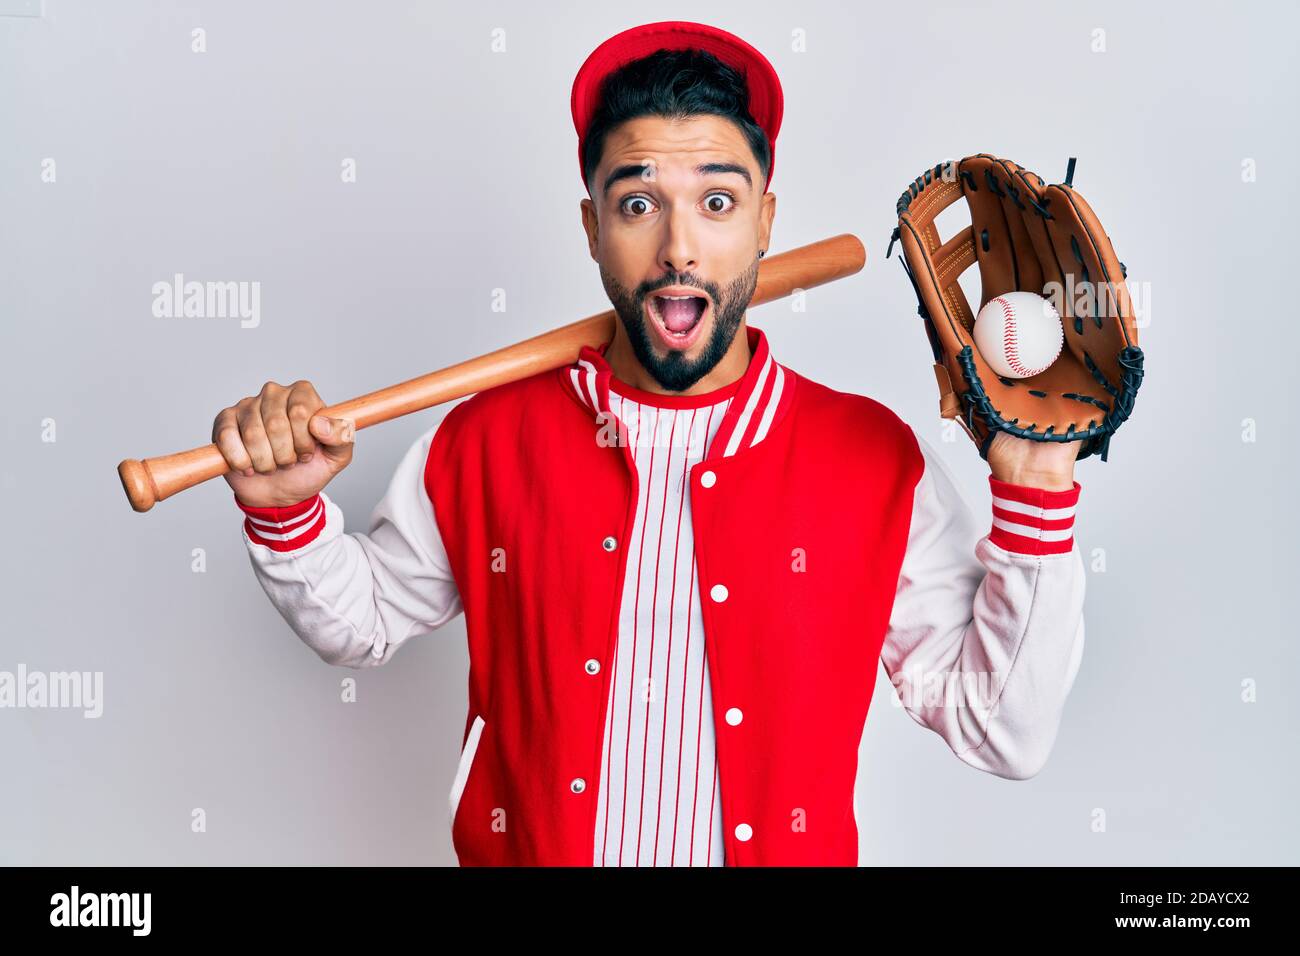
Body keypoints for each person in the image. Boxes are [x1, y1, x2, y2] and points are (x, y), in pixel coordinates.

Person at [211, 21, 1085, 867]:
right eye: (638, 203)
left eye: (716, 201)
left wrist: (1037, 488)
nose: (679, 248)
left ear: (765, 221)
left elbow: (1000, 730)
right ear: (592, 227)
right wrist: (287, 510)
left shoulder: (872, 460)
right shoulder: (485, 436)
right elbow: (358, 623)